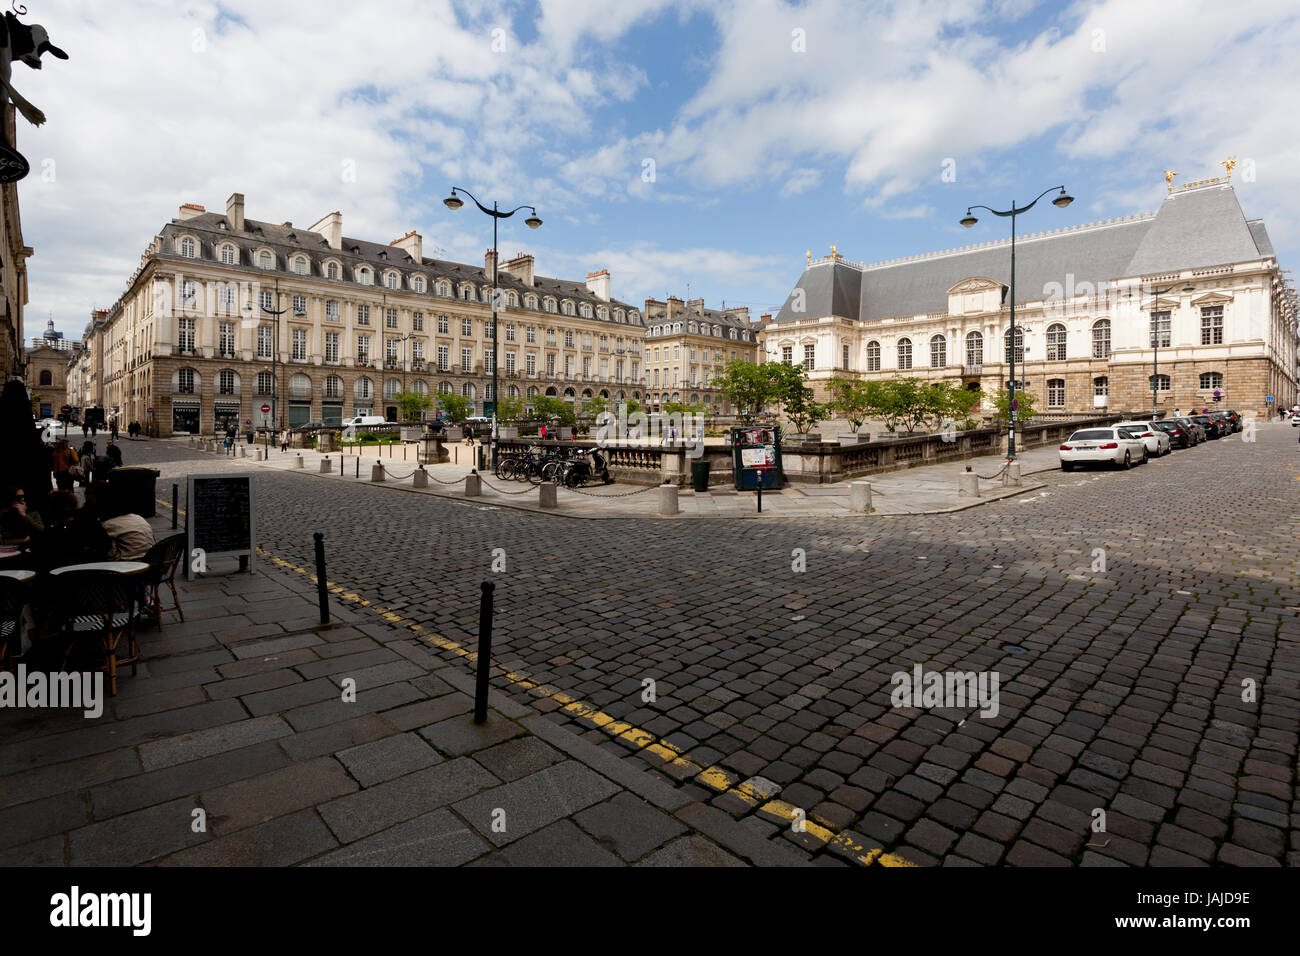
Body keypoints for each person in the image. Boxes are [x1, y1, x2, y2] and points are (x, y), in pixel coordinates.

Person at [29, 490, 110, 570]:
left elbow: (38, 551)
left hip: (64, 572)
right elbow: (105, 545)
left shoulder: (54, 531)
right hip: (93, 568)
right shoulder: (87, 521)